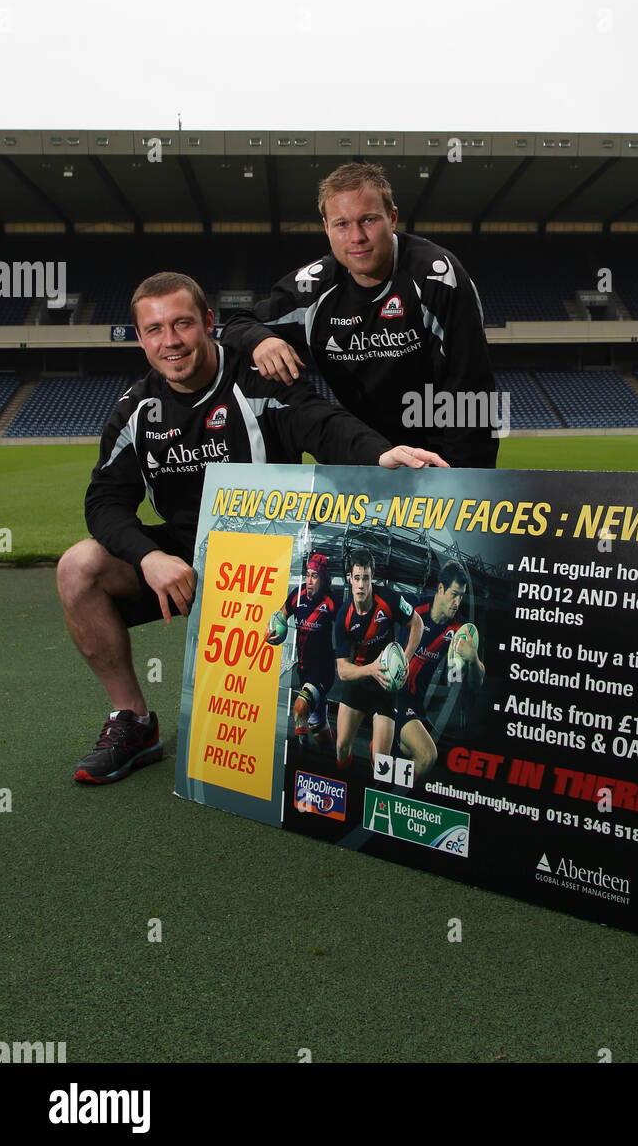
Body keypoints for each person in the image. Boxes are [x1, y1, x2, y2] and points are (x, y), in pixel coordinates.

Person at [57, 272, 447, 785]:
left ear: (209, 323)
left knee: (274, 744)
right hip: (186, 561)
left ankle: (309, 723)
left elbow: (320, 422)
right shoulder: (135, 411)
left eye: (182, 324)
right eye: (154, 329)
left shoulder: (256, 380)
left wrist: (379, 453)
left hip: (270, 558)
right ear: (139, 337)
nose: (170, 341)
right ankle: (133, 721)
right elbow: (104, 502)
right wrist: (150, 557)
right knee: (78, 567)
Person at [220, 161, 499, 468]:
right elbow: (236, 324)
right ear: (326, 228)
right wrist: (261, 339)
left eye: (368, 220)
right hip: (367, 454)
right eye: (341, 224)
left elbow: (472, 391)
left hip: (437, 454)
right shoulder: (314, 288)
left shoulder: (438, 279)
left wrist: (464, 482)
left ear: (392, 218)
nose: (356, 237)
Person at [333, 547, 423, 770]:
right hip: (360, 679)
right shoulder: (344, 617)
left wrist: (405, 659)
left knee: (381, 762)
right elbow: (343, 671)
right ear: (350, 580)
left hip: (386, 686)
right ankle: (345, 783)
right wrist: (371, 669)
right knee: (342, 747)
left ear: (372, 577)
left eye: (366, 578)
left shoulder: (390, 599)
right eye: (357, 578)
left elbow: (417, 624)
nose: (361, 585)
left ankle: (377, 751)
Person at [394, 561, 485, 780]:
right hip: (393, 698)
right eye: (454, 594)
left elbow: (476, 683)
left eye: (461, 596)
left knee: (407, 753)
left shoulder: (459, 629)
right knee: (427, 757)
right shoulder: (414, 608)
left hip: (415, 707)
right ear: (441, 589)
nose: (457, 602)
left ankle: (383, 758)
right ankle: (390, 786)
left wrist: (473, 660)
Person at [264, 551, 337, 751]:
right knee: (321, 734)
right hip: (303, 669)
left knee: (299, 709)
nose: (310, 580)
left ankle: (298, 756)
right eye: (308, 575)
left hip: (322, 670)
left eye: (315, 576)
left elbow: (346, 629)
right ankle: (337, 755)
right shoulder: (298, 595)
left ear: (323, 579)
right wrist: (272, 631)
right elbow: (280, 615)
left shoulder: (332, 602)